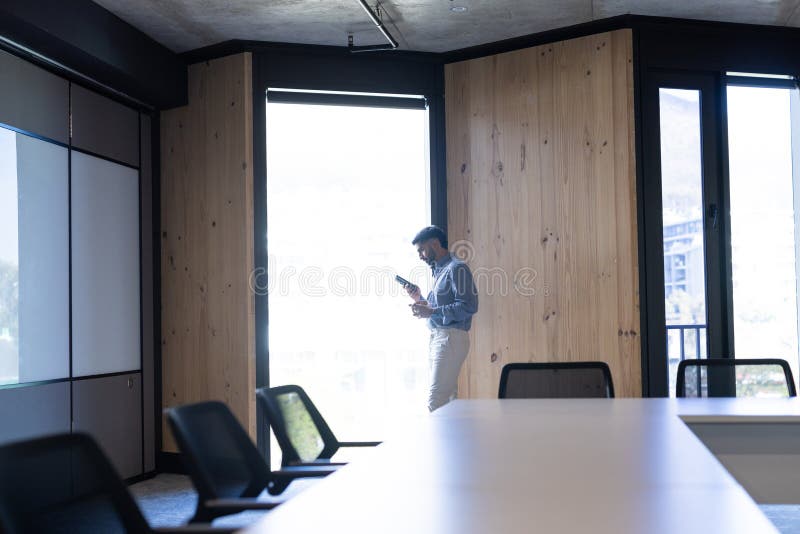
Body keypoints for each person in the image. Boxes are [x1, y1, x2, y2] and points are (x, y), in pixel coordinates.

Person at [406, 226, 478, 412]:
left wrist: (431, 311)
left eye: (422, 250)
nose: (420, 256)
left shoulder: (457, 268)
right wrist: (418, 298)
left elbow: (469, 306)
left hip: (450, 338)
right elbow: (435, 309)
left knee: (436, 401)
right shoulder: (441, 270)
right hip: (441, 337)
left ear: (435, 244)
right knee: (448, 403)